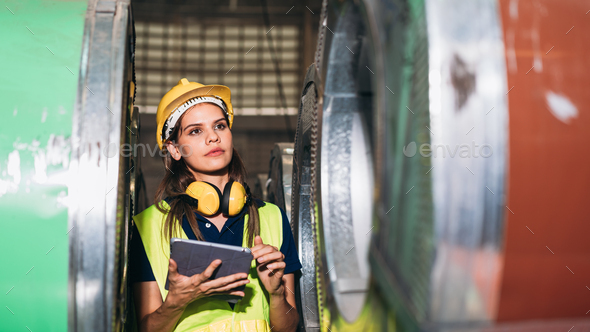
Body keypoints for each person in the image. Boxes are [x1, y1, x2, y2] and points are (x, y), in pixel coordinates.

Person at [130, 78, 301, 332]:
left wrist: (276, 295)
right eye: (195, 131)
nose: (213, 137)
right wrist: (176, 302)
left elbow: (288, 328)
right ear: (174, 149)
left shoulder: (272, 216)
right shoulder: (147, 225)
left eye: (219, 126)